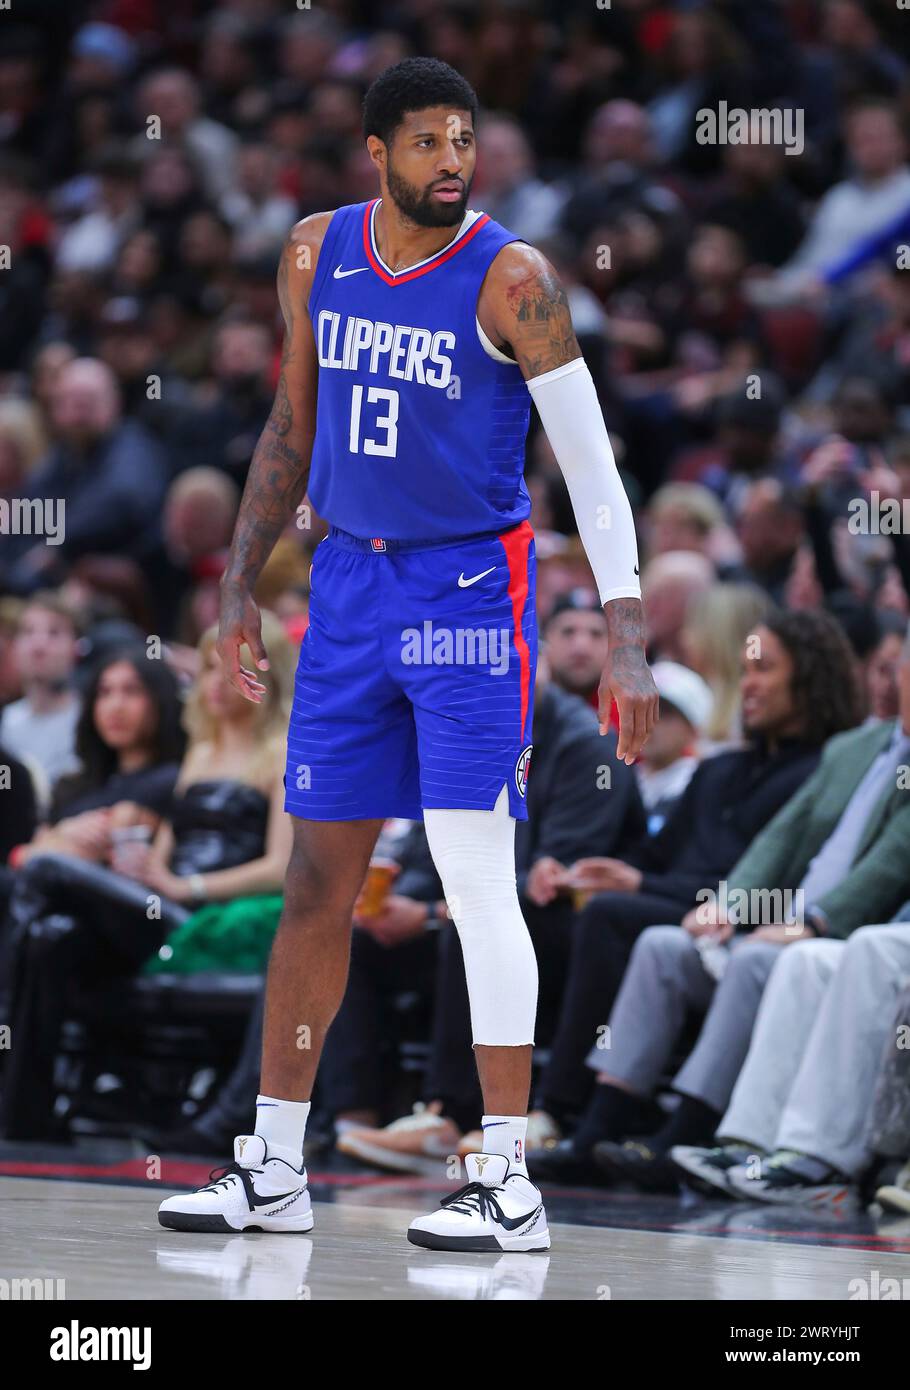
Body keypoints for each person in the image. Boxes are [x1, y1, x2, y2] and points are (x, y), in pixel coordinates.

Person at [158, 57, 658, 1251]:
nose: (452, 162)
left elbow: (590, 470)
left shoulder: (516, 278)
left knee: (477, 876)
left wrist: (627, 637)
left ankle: (507, 1181)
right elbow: (292, 420)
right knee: (318, 882)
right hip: (344, 587)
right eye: (427, 142)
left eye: (464, 140)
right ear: (374, 151)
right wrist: (235, 580)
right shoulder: (312, 251)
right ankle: (273, 1166)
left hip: (469, 593)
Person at [568, 626, 910, 1193]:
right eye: (890, 667)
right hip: (778, 920)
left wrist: (812, 923)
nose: (891, 678)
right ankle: (599, 1121)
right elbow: (782, 837)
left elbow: (892, 860)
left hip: (833, 928)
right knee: (663, 946)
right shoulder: (856, 747)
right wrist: (727, 904)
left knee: (758, 960)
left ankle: (696, 1134)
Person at [0, 614, 294, 1140]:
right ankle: (24, 1118)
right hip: (163, 907)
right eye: (208, 668)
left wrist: (185, 888)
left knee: (43, 869)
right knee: (52, 937)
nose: (217, 681)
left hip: (203, 918)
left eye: (232, 666)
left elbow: (279, 868)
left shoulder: (282, 753)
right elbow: (163, 857)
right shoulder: (199, 755)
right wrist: (142, 870)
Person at [0, 592, 84, 798]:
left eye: (54, 633)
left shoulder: (90, 719)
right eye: (28, 632)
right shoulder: (5, 719)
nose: (39, 645)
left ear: (75, 648)